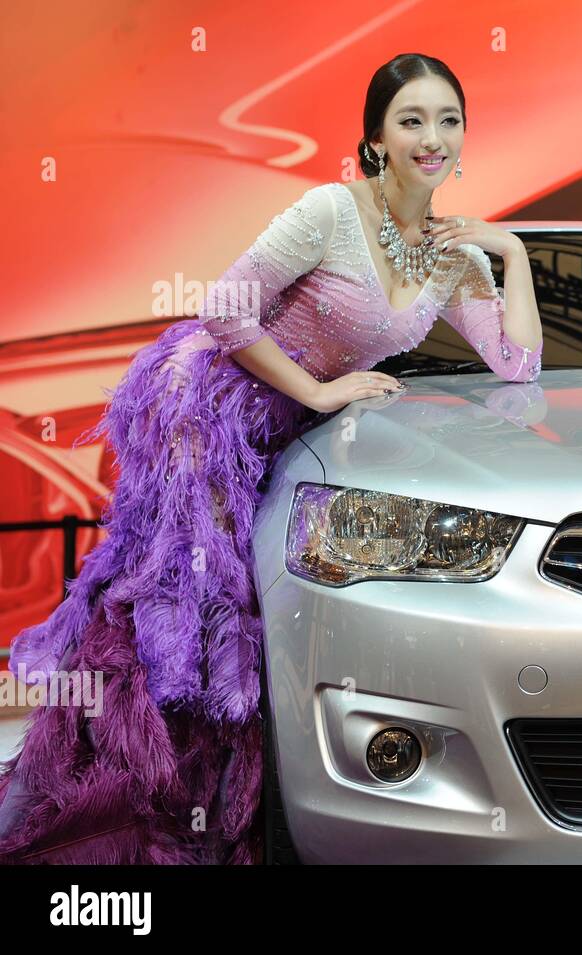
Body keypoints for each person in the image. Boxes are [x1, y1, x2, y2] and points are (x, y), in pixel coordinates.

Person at [0, 53, 543, 864]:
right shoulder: (329, 210)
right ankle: (120, 817)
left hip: (283, 428)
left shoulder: (456, 256)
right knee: (189, 620)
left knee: (249, 629)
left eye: (449, 120)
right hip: (208, 409)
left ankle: (215, 823)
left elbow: (518, 366)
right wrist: (320, 394)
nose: (432, 138)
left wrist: (514, 255)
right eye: (412, 120)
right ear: (376, 141)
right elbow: (225, 309)